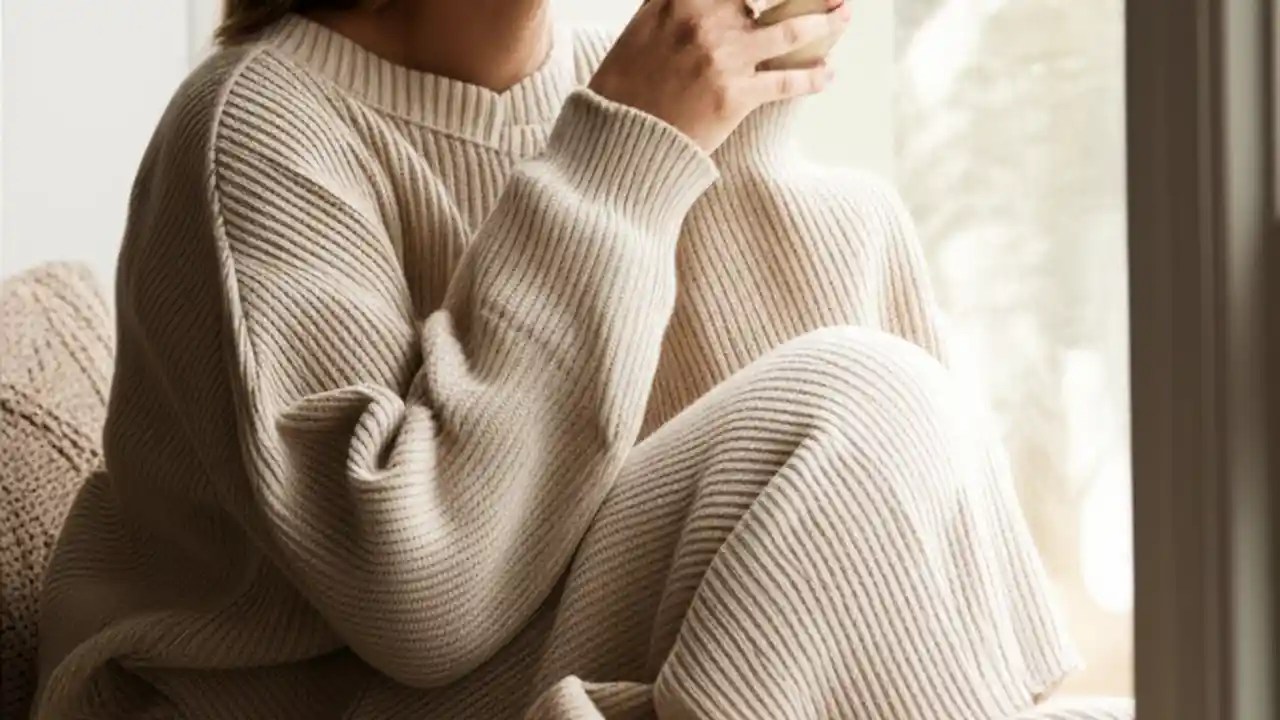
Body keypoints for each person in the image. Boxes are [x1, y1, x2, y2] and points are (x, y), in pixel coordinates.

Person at [35, 0, 1078, 717]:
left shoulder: (607, 81)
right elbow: (414, 595)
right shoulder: (256, 125)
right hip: (312, 697)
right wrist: (632, 145)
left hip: (509, 670)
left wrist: (740, 111)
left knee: (870, 335)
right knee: (864, 397)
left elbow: (776, 501)